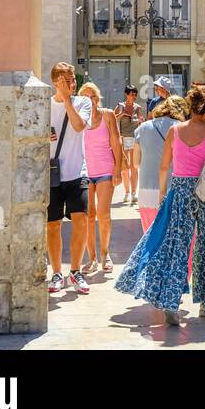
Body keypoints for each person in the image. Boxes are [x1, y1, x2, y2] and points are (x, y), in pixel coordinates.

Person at [116, 84, 205, 325]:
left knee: (176, 246)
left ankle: (171, 301)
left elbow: (164, 166)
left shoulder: (175, 132)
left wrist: (162, 195)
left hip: (179, 190)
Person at [47, 62, 93, 296]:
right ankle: (56, 272)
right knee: (53, 225)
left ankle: (75, 271)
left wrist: (67, 100)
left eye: (74, 79)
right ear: (56, 82)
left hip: (78, 172)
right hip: (52, 174)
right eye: (67, 80)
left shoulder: (82, 102)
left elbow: (78, 126)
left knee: (81, 221)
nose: (73, 84)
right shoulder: (44, 105)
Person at [78, 81, 123, 275]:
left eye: (93, 96)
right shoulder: (79, 118)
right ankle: (91, 258)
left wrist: (118, 169)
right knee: (89, 215)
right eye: (86, 97)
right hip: (85, 170)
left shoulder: (108, 115)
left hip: (105, 168)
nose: (91, 100)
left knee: (103, 215)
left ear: (98, 98)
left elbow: (116, 141)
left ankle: (105, 254)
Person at [133, 93, 187, 231]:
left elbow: (135, 163)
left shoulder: (142, 128)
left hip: (147, 191)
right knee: (174, 239)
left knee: (150, 238)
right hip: (175, 190)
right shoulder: (183, 129)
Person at [114, 85, 143, 204]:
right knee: (125, 168)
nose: (134, 97)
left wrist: (141, 120)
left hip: (135, 138)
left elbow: (141, 120)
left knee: (134, 167)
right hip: (123, 137)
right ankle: (126, 192)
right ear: (126, 94)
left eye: (135, 94)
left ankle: (134, 192)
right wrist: (123, 114)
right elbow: (113, 119)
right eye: (132, 94)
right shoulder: (120, 106)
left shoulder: (138, 107)